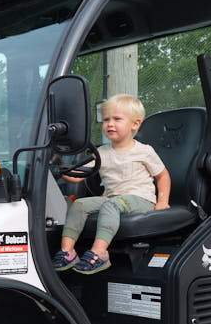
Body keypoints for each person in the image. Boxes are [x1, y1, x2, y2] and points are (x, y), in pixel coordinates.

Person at [52, 94, 170, 274]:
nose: (110, 124)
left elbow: (162, 176)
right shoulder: (101, 152)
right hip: (112, 200)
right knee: (79, 204)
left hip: (140, 199)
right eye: (106, 120)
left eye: (117, 119)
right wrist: (58, 168)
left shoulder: (144, 151)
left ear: (135, 124)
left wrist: (162, 201)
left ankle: (100, 253)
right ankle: (67, 252)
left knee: (111, 205)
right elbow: (77, 176)